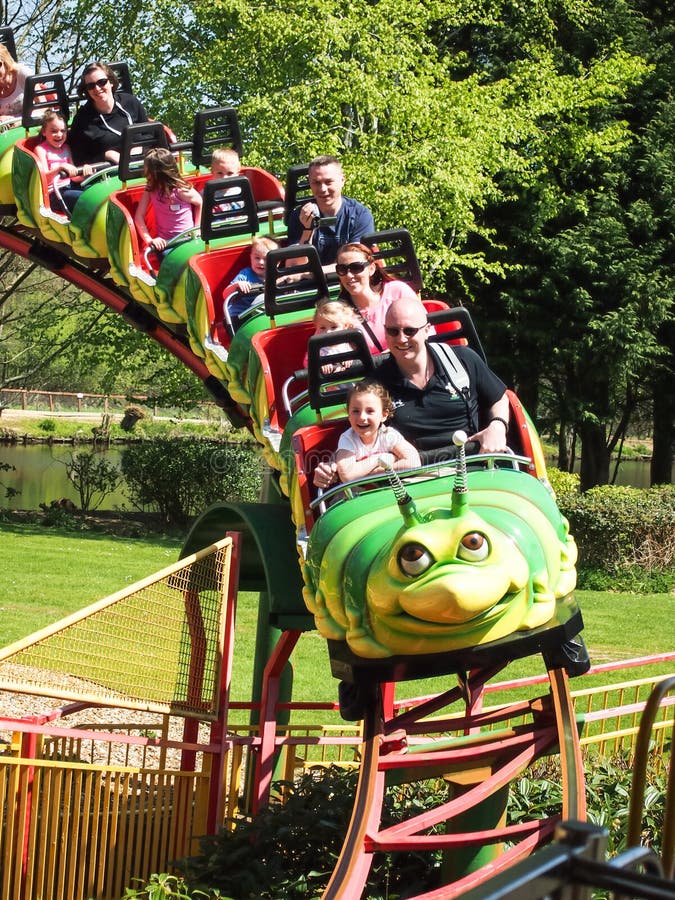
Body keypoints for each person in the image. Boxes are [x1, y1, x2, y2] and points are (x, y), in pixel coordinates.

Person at [313, 296, 510, 488]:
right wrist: (332, 465)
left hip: (473, 466)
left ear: (426, 330)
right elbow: (358, 432)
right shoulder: (376, 386)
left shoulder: (461, 360)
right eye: (393, 331)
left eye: (409, 331)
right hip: (412, 480)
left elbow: (498, 396)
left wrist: (498, 427)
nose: (401, 339)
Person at [286, 156, 374, 267]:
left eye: (328, 182)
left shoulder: (360, 215)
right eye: (316, 183)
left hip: (349, 279)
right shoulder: (300, 215)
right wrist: (307, 230)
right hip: (309, 282)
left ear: (342, 180)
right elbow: (294, 265)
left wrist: (311, 274)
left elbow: (354, 264)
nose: (322, 189)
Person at [335, 242, 419, 353]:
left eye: (356, 267)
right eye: (342, 269)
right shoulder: (337, 312)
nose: (349, 275)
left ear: (371, 269)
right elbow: (321, 352)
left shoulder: (398, 292)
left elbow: (427, 331)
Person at [334, 380, 420, 483]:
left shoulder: (388, 435)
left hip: (389, 488)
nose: (362, 417)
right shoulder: (348, 439)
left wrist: (375, 472)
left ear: (384, 415)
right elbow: (347, 475)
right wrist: (379, 459)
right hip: (358, 494)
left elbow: (414, 462)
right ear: (348, 414)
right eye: (356, 411)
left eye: (370, 411)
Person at [68, 62, 148, 166]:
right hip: (110, 173)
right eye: (91, 86)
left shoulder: (130, 102)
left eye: (102, 82)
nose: (97, 88)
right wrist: (107, 155)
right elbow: (79, 159)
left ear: (111, 82)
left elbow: (150, 135)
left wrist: (140, 148)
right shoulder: (82, 120)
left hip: (144, 163)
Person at [134, 148, 202, 252]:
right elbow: (139, 216)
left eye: (148, 171)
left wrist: (197, 229)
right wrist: (149, 240)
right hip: (165, 243)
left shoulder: (181, 190)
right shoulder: (151, 189)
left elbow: (200, 203)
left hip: (186, 240)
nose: (145, 174)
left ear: (159, 173)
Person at [34, 110, 93, 214]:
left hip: (70, 187)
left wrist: (84, 174)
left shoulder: (66, 148)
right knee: (84, 199)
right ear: (44, 132)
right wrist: (60, 168)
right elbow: (44, 178)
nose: (59, 135)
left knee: (93, 192)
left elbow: (74, 176)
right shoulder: (41, 150)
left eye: (63, 130)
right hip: (54, 193)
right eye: (54, 131)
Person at [223, 235, 280, 327]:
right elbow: (225, 294)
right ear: (251, 257)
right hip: (240, 317)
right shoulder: (245, 274)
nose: (261, 262)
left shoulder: (277, 277)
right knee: (262, 300)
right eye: (257, 258)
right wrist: (237, 285)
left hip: (265, 316)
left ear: (277, 263)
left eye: (266, 259)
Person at [304, 298, 360, 374]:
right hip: (329, 384)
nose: (328, 332)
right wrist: (319, 364)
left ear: (345, 326)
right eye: (322, 328)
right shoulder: (317, 349)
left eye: (334, 327)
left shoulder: (350, 344)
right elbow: (307, 364)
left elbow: (361, 358)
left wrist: (351, 359)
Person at [0, 43, 30, 121]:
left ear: (6, 63)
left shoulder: (22, 74)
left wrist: (16, 121)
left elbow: (45, 109)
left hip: (31, 128)